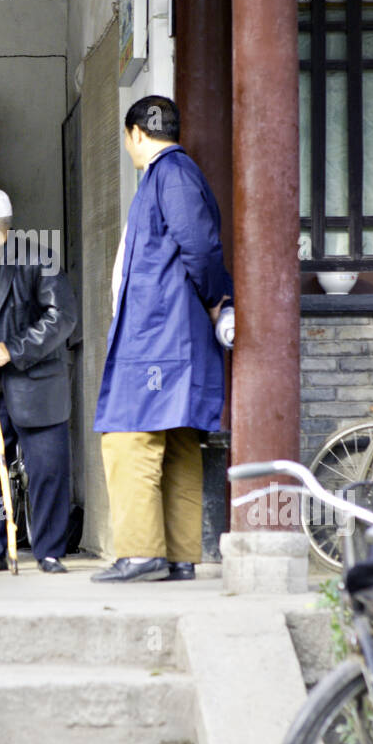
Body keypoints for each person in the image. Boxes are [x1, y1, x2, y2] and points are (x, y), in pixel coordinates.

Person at [92, 96, 233, 583]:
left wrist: (217, 298)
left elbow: (198, 244)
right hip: (174, 332)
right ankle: (178, 555)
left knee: (129, 436)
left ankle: (139, 552)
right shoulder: (175, 173)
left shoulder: (169, 173)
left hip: (158, 333)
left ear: (135, 133)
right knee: (176, 439)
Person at [0, 187, 77, 575]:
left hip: (36, 385)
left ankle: (50, 550)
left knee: (48, 471)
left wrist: (12, 350)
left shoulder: (40, 258)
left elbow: (62, 317)